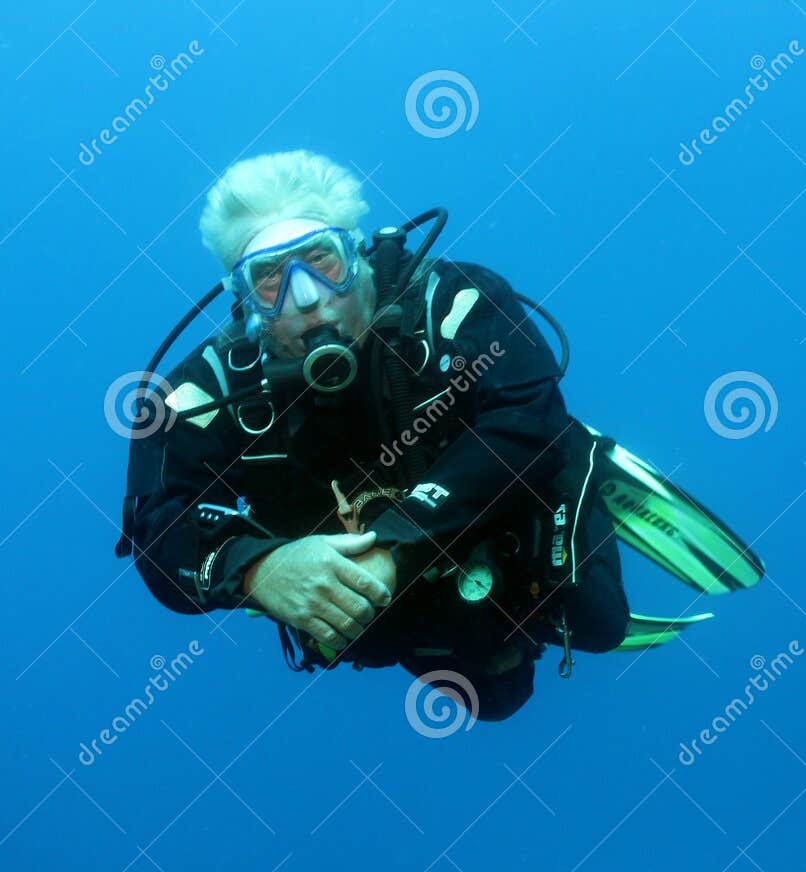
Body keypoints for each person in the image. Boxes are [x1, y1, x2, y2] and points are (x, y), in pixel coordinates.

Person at [115, 151, 763, 721]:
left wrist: (395, 541)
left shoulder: (457, 305)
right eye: (270, 279)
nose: (307, 298)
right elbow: (156, 527)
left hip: (493, 523)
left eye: (321, 261)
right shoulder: (202, 392)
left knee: (598, 621)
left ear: (359, 256)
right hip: (372, 595)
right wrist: (259, 569)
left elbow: (525, 418)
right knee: (492, 698)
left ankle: (575, 473)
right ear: (244, 301)